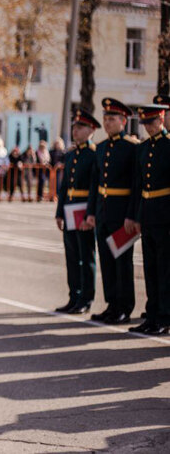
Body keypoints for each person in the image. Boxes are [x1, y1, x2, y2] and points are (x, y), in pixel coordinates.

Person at [85, 98, 138, 325]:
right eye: (105, 119)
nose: (107, 123)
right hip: (104, 211)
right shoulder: (102, 147)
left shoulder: (131, 147)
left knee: (122, 262)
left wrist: (132, 215)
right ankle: (111, 304)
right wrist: (91, 212)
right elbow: (95, 184)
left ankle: (125, 306)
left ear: (123, 121)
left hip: (122, 214)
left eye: (112, 119)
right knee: (106, 261)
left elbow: (136, 185)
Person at [129, 104, 170, 335]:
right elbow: (138, 186)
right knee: (150, 269)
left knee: (165, 270)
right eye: (145, 124)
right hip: (148, 215)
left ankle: (165, 316)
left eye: (152, 122)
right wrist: (136, 216)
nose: (148, 127)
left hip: (165, 215)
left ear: (161, 119)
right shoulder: (142, 149)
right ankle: (152, 315)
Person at [54, 109, 99, 314]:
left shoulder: (93, 154)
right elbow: (64, 186)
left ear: (91, 130)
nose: (75, 130)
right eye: (74, 127)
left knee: (85, 255)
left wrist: (91, 213)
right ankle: (74, 295)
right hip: (70, 207)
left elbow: (94, 187)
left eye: (80, 127)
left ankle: (86, 298)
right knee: (71, 256)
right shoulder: (71, 154)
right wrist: (59, 212)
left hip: (83, 207)